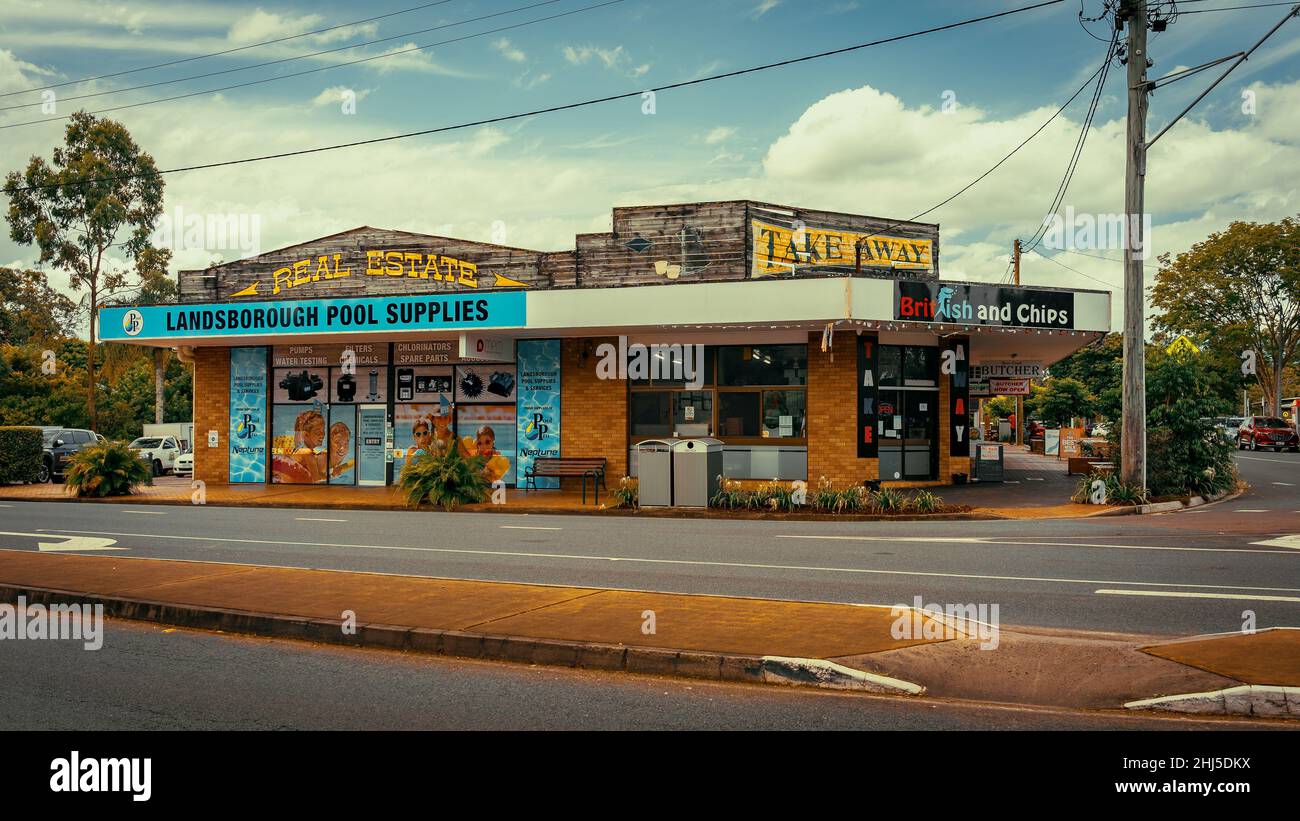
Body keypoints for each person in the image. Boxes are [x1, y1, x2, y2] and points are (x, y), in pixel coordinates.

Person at [292, 410, 327, 483]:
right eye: (318, 432)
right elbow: (316, 481)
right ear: (306, 434)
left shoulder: (301, 450)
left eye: (323, 431)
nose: (322, 435)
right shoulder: (308, 454)